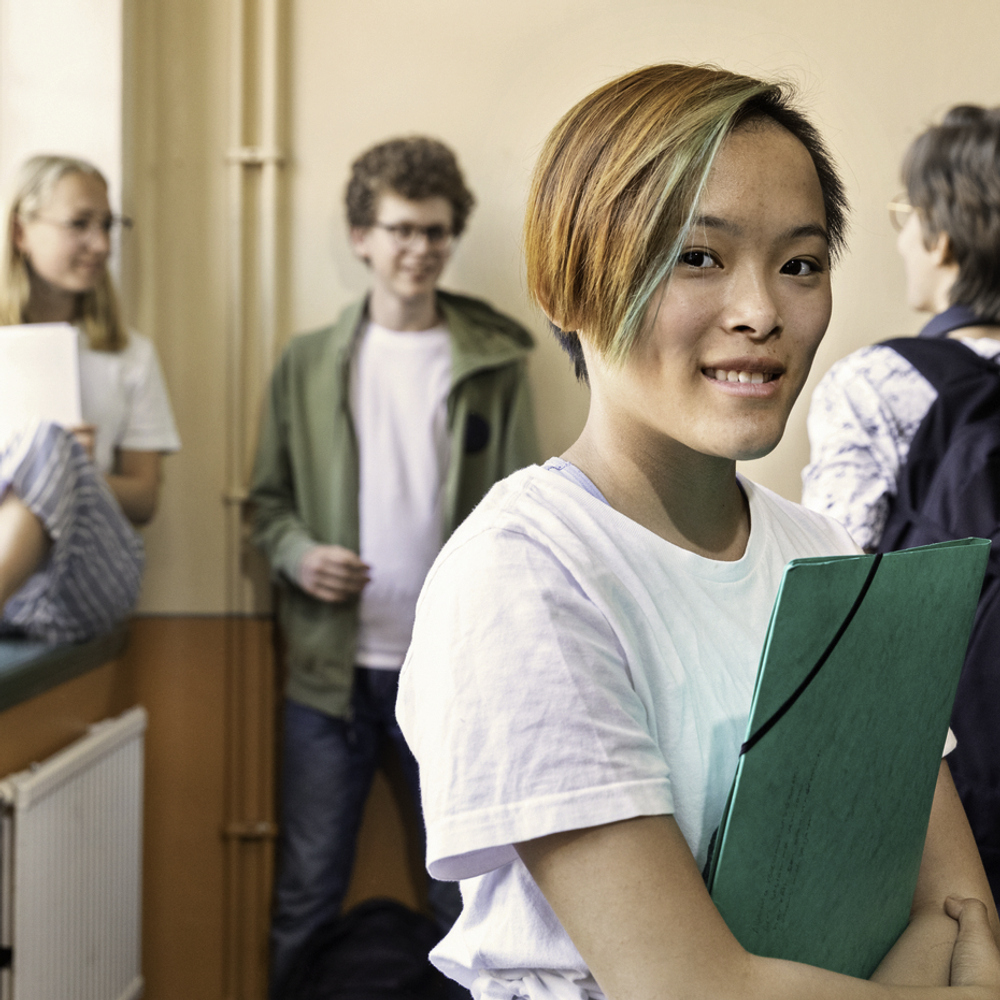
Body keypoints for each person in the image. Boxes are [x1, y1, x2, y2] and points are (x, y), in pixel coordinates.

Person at [396, 65, 1000, 1000]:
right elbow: (691, 988)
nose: (761, 313)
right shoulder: (525, 576)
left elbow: (962, 913)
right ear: (569, 281)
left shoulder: (826, 555)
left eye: (800, 264)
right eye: (698, 257)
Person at [250, 136, 538, 998]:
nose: (421, 249)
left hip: (454, 682)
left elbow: (522, 516)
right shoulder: (305, 364)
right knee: (304, 896)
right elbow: (265, 507)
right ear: (360, 237)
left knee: (469, 905)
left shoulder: (495, 360)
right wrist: (300, 556)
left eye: (439, 233)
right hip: (327, 679)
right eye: (403, 230)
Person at [803, 105, 1000, 907]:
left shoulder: (875, 383)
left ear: (942, 236)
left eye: (903, 215)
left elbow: (834, 590)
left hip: (943, 779)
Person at [0, 154, 180, 642]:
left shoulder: (129, 355)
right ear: (21, 232)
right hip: (13, 588)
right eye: (80, 224)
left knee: (50, 444)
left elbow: (145, 499)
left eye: (107, 225)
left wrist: (76, 474)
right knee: (40, 445)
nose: (100, 245)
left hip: (82, 586)